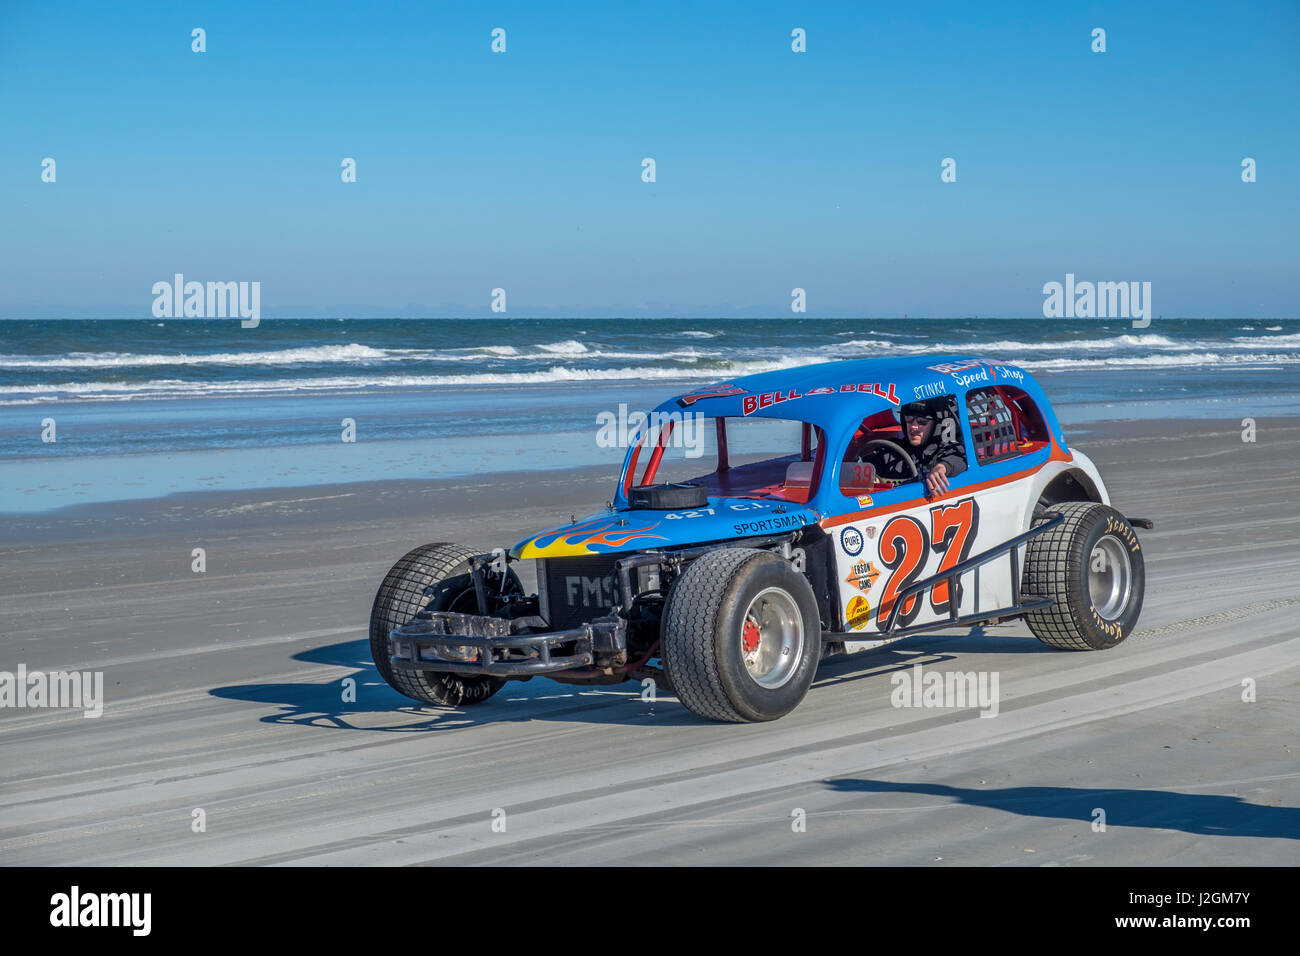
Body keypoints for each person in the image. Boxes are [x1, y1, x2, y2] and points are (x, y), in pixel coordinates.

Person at [853, 398, 967, 497]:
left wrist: (941, 468)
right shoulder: (890, 451)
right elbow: (865, 467)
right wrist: (856, 471)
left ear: (936, 425)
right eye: (909, 419)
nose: (913, 427)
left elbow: (958, 456)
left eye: (922, 422)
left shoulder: (947, 449)